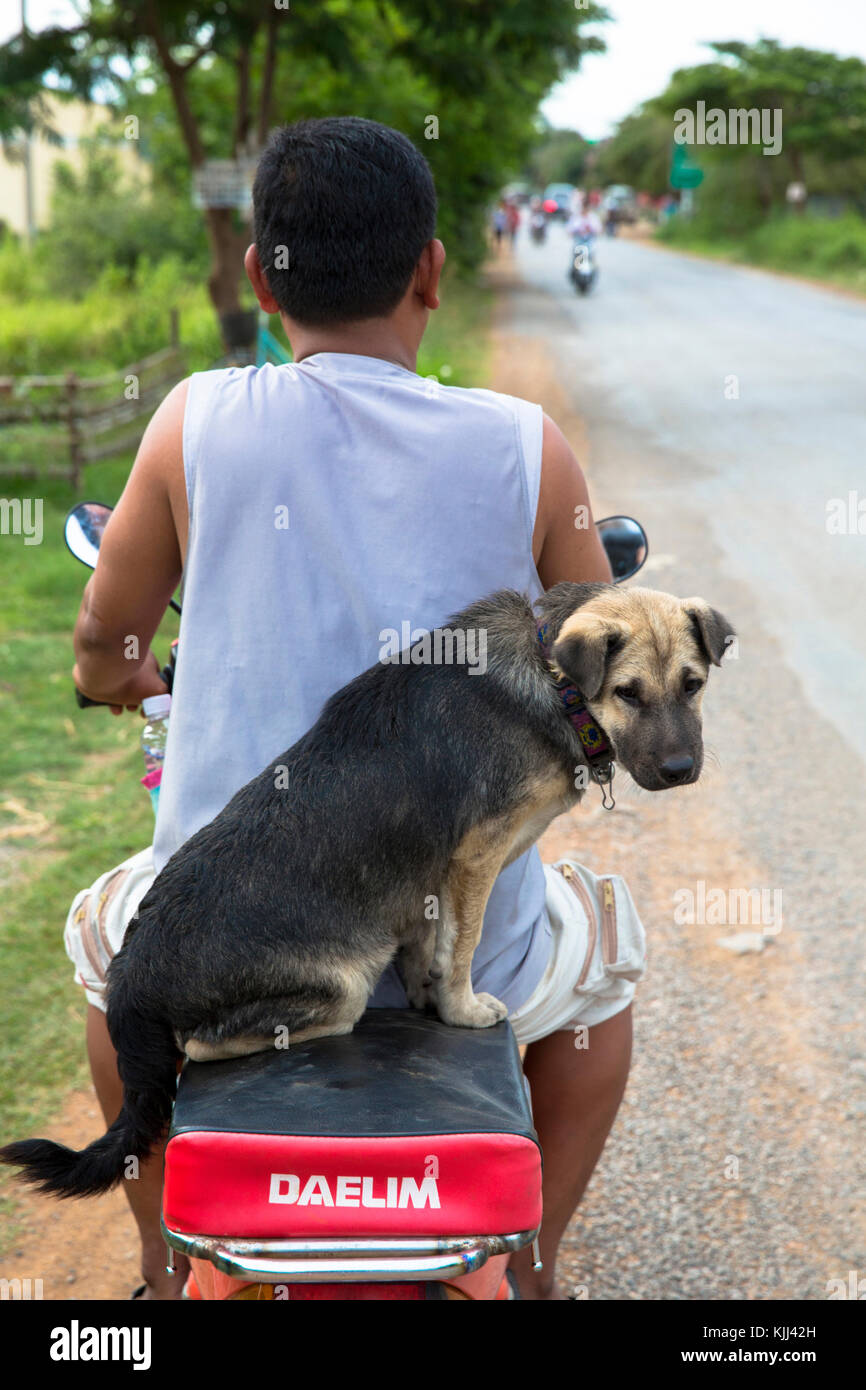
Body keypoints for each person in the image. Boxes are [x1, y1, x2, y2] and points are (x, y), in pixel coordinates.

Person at [67, 116, 638, 1301]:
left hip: (243, 948)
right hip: (465, 945)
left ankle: (161, 1260)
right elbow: (592, 644)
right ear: (431, 267)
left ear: (257, 277)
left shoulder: (192, 421)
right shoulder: (526, 447)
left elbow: (102, 648)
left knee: (110, 952)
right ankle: (533, 1266)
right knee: (603, 978)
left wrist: (131, 679)